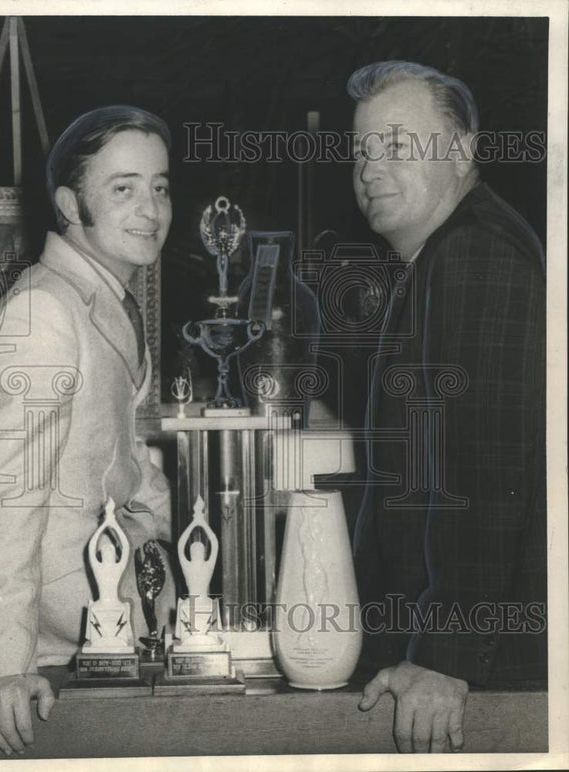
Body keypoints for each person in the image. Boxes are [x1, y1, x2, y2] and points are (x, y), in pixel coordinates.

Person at [348, 62, 546, 753]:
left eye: (398, 145)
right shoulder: (443, 257)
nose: (370, 167)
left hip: (483, 678)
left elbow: (486, 475)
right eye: (362, 150)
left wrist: (446, 657)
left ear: (462, 152)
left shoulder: (473, 256)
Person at [0, 105, 175, 754]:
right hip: (48, 661)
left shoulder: (102, 301)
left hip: (109, 638)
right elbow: (8, 495)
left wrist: (162, 562)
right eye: (124, 188)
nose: (151, 209)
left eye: (160, 186)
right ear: (68, 203)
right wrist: (1, 666)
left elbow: (131, 464)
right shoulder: (43, 312)